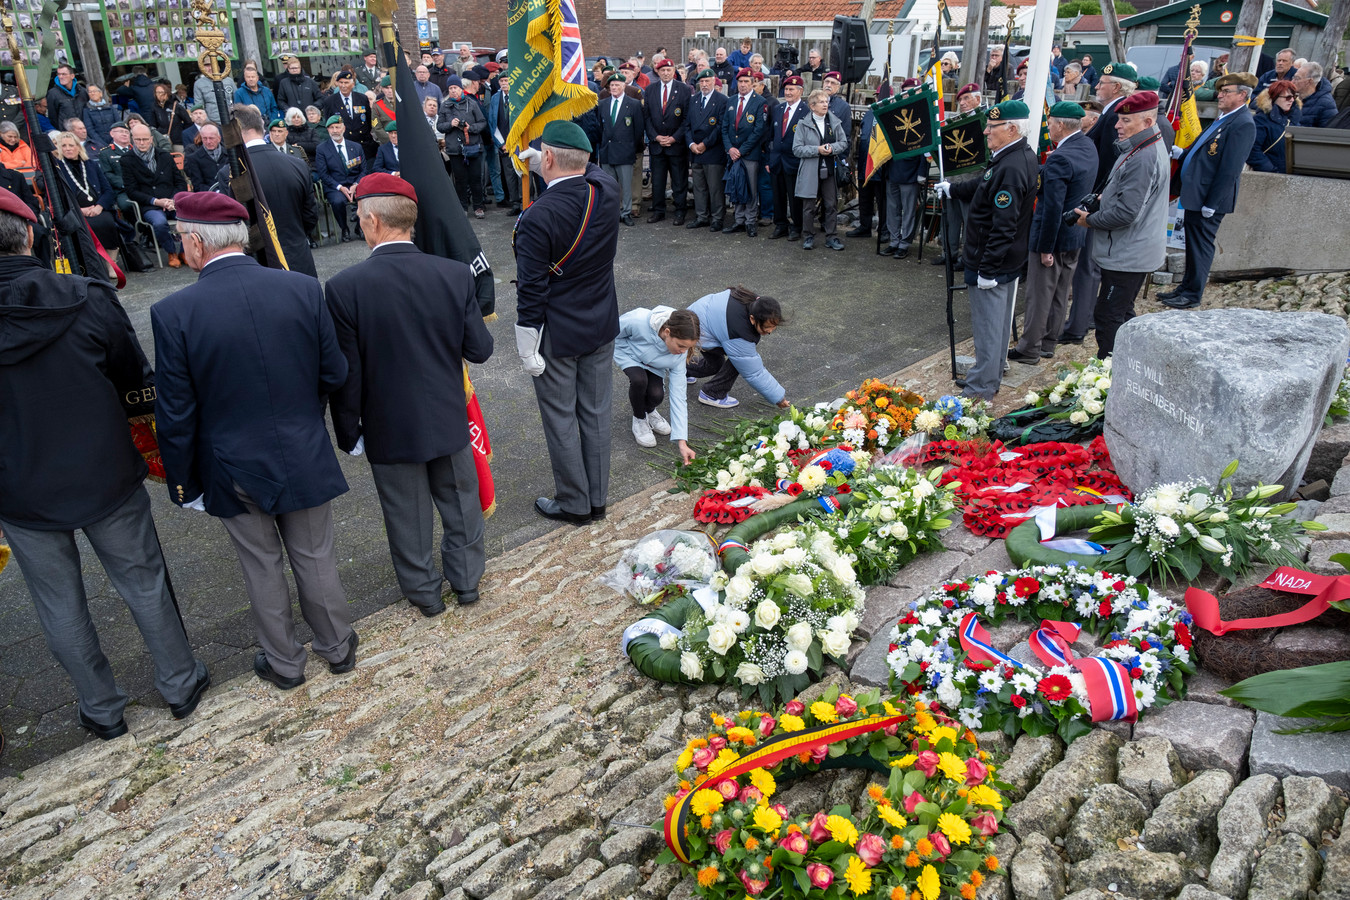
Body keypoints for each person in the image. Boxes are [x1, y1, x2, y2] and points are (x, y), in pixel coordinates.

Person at [0, 187, 210, 740]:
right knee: (142, 580)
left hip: (19, 484)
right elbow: (132, 379)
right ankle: (180, 682)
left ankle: (100, 707)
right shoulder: (84, 295)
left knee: (57, 604)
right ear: (29, 235)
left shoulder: (84, 293)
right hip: (102, 469)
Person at [152, 191, 358, 692]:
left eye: (181, 238)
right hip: (301, 447)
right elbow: (334, 371)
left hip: (230, 461)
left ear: (197, 241)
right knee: (314, 555)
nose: (181, 247)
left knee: (261, 565)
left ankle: (285, 663)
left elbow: (175, 411)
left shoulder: (173, 311)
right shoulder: (303, 289)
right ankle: (336, 647)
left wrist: (184, 484)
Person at [325, 174, 493, 614]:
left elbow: (347, 373)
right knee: (460, 504)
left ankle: (424, 595)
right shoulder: (455, 274)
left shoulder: (345, 287)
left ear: (373, 221)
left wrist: (348, 431)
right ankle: (467, 583)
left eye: (361, 221)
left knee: (407, 516)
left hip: (388, 423)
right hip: (447, 415)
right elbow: (480, 348)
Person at [512, 121, 621, 526]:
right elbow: (587, 169)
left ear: (551, 157)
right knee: (595, 413)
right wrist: (547, 160)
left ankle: (575, 504)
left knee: (561, 418)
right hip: (601, 321)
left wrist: (527, 339)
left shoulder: (537, 216)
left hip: (557, 332)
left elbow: (532, 289)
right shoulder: (608, 190)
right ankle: (597, 500)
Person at [934, 100, 1038, 402]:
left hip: (992, 262)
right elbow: (985, 184)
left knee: (989, 328)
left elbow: (1003, 225)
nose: (985, 131)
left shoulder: (1012, 165)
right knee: (998, 325)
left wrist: (988, 269)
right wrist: (954, 189)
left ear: (1012, 128)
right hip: (1003, 260)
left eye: (992, 127)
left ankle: (982, 387)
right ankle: (988, 374)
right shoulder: (1014, 155)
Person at [1071, 90, 1169, 357]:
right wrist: (1107, 196)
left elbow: (1127, 214)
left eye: (1126, 121)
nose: (1117, 126)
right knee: (1123, 312)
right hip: (1133, 248)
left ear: (1147, 122)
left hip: (1129, 252)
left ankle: (1110, 374)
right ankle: (1128, 366)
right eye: (1118, 120)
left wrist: (1088, 220)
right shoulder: (1145, 145)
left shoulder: (1143, 156)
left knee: (1108, 316)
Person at [1159, 72, 1257, 310]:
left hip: (1209, 198)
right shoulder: (1224, 118)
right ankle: (1186, 287)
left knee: (1201, 246)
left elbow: (1230, 169)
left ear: (1242, 95)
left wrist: (1212, 203)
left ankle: (1193, 294)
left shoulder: (1242, 123)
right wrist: (1184, 155)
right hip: (1196, 193)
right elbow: (1205, 150)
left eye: (1226, 92)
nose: (1220, 95)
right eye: (1220, 91)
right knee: (1192, 244)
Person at [1008, 101, 1097, 365]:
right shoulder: (1087, 146)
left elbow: (1052, 207)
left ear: (1059, 125)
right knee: (1060, 292)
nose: (1048, 127)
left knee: (1039, 295)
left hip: (1053, 236)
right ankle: (1048, 342)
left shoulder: (1060, 156)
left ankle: (1029, 348)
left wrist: (1045, 248)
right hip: (1075, 234)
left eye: (1050, 123)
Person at [1060, 60, 1137, 346]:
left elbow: (1105, 161)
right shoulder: (1110, 113)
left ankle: (1077, 325)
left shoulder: (1115, 114)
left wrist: (1093, 199)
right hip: (1097, 197)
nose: (1097, 86)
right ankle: (1080, 320)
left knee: (1088, 268)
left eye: (1102, 83)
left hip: (1097, 198)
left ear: (1116, 86)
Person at [232, 105, 317, 278]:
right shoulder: (297, 164)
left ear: (237, 130)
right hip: (298, 257)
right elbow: (310, 215)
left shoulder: (233, 173)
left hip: (260, 265)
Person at [614, 306, 699, 459]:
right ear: (667, 333)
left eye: (687, 348)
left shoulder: (679, 354)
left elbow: (679, 396)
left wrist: (682, 441)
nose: (683, 351)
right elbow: (611, 331)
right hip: (629, 354)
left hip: (654, 364)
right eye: (680, 346)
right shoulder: (639, 319)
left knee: (657, 395)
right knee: (639, 380)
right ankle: (639, 419)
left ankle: (650, 411)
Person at [685, 286, 789, 410]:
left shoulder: (755, 303)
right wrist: (778, 398)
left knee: (717, 364)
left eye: (773, 326)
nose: (770, 331)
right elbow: (755, 372)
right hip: (698, 330)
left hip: (700, 317)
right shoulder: (739, 330)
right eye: (766, 327)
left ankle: (682, 370)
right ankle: (712, 394)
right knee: (739, 361)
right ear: (752, 319)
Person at [121, 123, 186, 266]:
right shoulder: (126, 160)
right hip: (150, 205)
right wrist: (156, 201)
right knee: (159, 223)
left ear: (151, 139)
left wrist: (173, 200)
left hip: (172, 202)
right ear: (132, 140)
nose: (142, 143)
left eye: (145, 139)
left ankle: (184, 251)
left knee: (189, 218)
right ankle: (171, 252)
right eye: (138, 139)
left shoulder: (165, 156)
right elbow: (131, 191)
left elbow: (180, 182)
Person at [793, 88, 848, 252]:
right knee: (808, 206)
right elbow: (797, 149)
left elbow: (844, 143)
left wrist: (831, 148)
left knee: (831, 204)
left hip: (829, 169)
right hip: (810, 169)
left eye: (826, 102)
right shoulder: (803, 124)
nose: (825, 105)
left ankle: (831, 237)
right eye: (822, 102)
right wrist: (817, 150)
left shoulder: (834, 122)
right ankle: (808, 236)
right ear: (812, 106)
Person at [51, 130, 121, 255]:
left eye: (71, 145)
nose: (68, 149)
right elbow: (59, 197)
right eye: (64, 146)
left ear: (78, 147)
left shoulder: (91, 165)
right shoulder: (58, 169)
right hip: (75, 212)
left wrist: (99, 207)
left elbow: (108, 191)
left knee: (107, 223)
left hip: (98, 208)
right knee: (84, 227)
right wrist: (79, 210)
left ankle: (111, 264)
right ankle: (91, 261)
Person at [644, 58, 691, 225]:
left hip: (676, 145)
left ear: (674, 72)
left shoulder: (684, 90)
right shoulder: (650, 90)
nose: (665, 73)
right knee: (658, 181)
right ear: (657, 71)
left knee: (679, 181)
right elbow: (647, 118)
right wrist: (656, 137)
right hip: (657, 145)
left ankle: (680, 211)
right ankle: (658, 211)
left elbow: (687, 119)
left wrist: (674, 137)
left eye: (668, 70)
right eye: (662, 70)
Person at [722, 69, 767, 237]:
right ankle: (738, 220)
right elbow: (724, 127)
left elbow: (758, 131)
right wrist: (730, 149)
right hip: (732, 154)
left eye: (746, 82)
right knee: (736, 186)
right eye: (740, 81)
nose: (742, 85)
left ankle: (750, 221)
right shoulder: (731, 100)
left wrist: (741, 151)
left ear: (752, 83)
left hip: (749, 154)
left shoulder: (760, 102)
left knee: (750, 188)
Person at [597, 73, 645, 227]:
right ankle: (612, 214)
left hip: (625, 150)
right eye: (612, 85)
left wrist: (633, 148)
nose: (614, 88)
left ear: (624, 86)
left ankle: (626, 213)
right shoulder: (602, 104)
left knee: (626, 185)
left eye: (617, 85)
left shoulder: (633, 104)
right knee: (609, 187)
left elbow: (638, 130)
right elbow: (600, 127)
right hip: (608, 150)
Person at [438, 75, 489, 218]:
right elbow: (440, 126)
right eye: (450, 88)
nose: (453, 90)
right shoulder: (444, 105)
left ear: (461, 88)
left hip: (472, 146)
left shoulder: (471, 103)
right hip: (455, 149)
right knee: (460, 180)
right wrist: (451, 124)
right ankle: (463, 207)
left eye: (455, 88)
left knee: (475, 178)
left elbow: (482, 122)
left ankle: (478, 207)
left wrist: (470, 128)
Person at [686, 69, 728, 232]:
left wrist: (704, 144)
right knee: (699, 187)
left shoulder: (722, 100)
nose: (704, 84)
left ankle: (717, 218)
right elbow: (687, 125)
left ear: (714, 81)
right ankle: (702, 216)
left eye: (707, 81)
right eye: (701, 82)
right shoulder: (694, 100)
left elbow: (720, 127)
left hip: (712, 151)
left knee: (715, 187)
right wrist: (691, 144)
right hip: (696, 151)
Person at [768, 75, 807, 240]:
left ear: (800, 91)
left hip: (794, 161)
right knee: (778, 196)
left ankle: (797, 227)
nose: (788, 92)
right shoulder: (778, 109)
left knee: (795, 197)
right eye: (786, 89)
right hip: (777, 161)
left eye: (792, 89)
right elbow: (771, 136)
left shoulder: (806, 112)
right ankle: (781, 225)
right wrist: (769, 159)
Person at [315, 115, 365, 241]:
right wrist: (340, 187)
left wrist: (356, 184)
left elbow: (364, 170)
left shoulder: (356, 146)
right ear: (327, 130)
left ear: (344, 128)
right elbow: (323, 174)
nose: (335, 130)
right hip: (335, 186)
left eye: (337, 127)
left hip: (355, 184)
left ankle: (360, 226)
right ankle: (344, 228)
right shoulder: (322, 149)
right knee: (338, 202)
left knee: (366, 196)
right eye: (331, 128)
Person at [321, 70, 376, 173]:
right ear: (337, 83)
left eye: (346, 83)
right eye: (340, 83)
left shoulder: (362, 98)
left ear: (353, 84)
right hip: (346, 145)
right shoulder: (330, 102)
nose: (343, 86)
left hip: (364, 145)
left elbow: (369, 121)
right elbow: (329, 124)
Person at [1248, 80, 1302, 172]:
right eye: (1288, 97)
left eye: (1294, 97)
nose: (1292, 100)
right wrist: (1271, 170)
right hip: (1270, 175)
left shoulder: (1294, 120)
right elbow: (1252, 150)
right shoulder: (1260, 120)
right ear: (1275, 98)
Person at [488, 71, 521, 215]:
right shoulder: (495, 98)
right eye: (501, 81)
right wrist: (502, 144)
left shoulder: (519, 95)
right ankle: (515, 203)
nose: (503, 84)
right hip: (504, 145)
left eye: (506, 81)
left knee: (521, 173)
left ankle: (525, 201)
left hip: (519, 143)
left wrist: (515, 142)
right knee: (509, 175)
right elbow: (492, 123)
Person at [97, 122, 135, 216]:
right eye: (121, 131)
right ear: (112, 134)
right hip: (122, 190)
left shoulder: (136, 150)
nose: (125, 134)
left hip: (141, 187)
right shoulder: (105, 153)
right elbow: (108, 174)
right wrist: (127, 184)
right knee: (126, 205)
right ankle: (138, 229)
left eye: (127, 132)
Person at [45, 64, 88, 135]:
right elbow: (53, 117)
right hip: (67, 133)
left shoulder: (82, 91)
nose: (61, 77)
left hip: (84, 131)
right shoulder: (52, 93)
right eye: (59, 74)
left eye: (64, 74)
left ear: (72, 76)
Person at [183, 123, 226, 191]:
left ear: (219, 138)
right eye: (205, 138)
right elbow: (198, 186)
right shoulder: (194, 158)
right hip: (209, 196)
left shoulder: (229, 154)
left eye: (211, 138)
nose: (208, 142)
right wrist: (217, 192)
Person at [1293, 63, 1337, 127]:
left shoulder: (1326, 104)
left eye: (1297, 78)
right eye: (1293, 77)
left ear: (1309, 81)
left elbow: (1329, 133)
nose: (1292, 81)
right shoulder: (1292, 97)